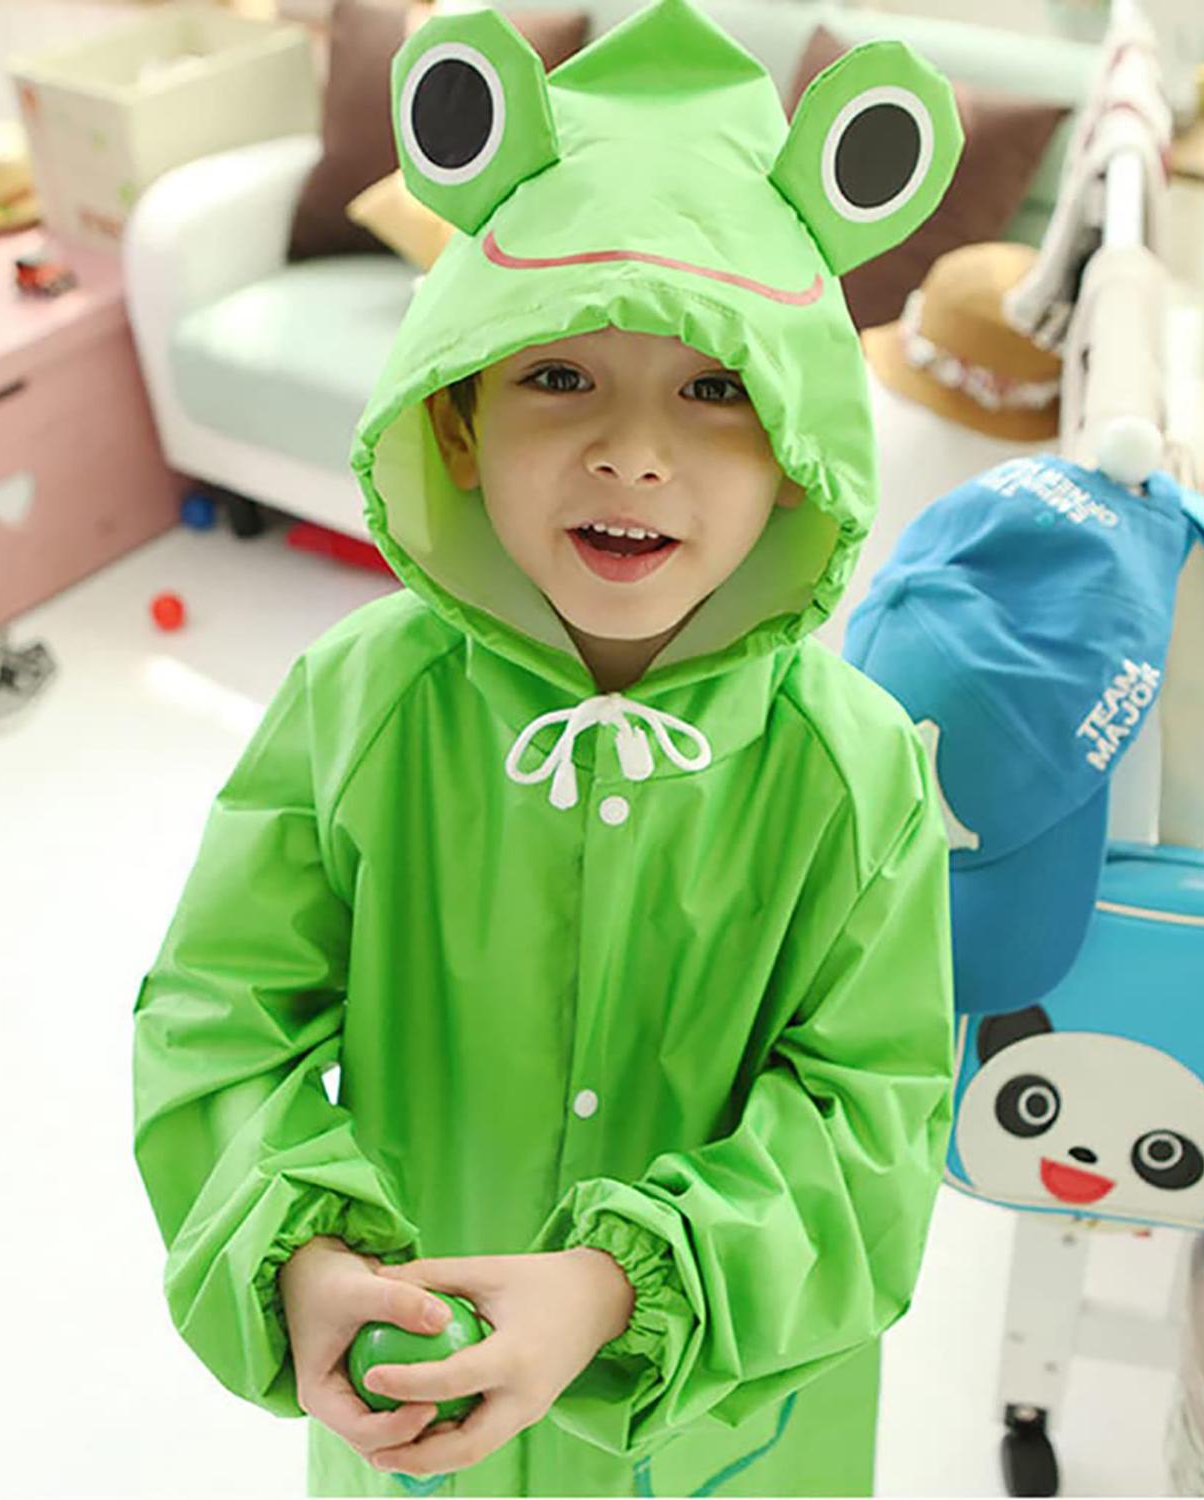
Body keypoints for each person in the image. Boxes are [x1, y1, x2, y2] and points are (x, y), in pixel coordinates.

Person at [131, 0, 964, 1493]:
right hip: (415, 1396)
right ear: (456, 425)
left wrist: (625, 1288)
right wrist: (299, 1253)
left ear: (798, 454)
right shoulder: (358, 705)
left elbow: (873, 1119)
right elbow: (219, 1019)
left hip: (713, 1426)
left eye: (716, 389)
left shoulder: (855, 772)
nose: (632, 452)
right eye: (558, 375)